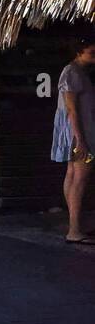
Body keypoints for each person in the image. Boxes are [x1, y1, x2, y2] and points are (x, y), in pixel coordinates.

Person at [53, 38, 95, 244]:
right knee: (80, 177)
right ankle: (74, 229)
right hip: (79, 133)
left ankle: (74, 225)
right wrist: (80, 139)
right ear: (79, 52)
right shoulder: (72, 72)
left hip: (78, 131)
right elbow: (71, 109)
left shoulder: (78, 72)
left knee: (73, 174)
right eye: (91, 53)